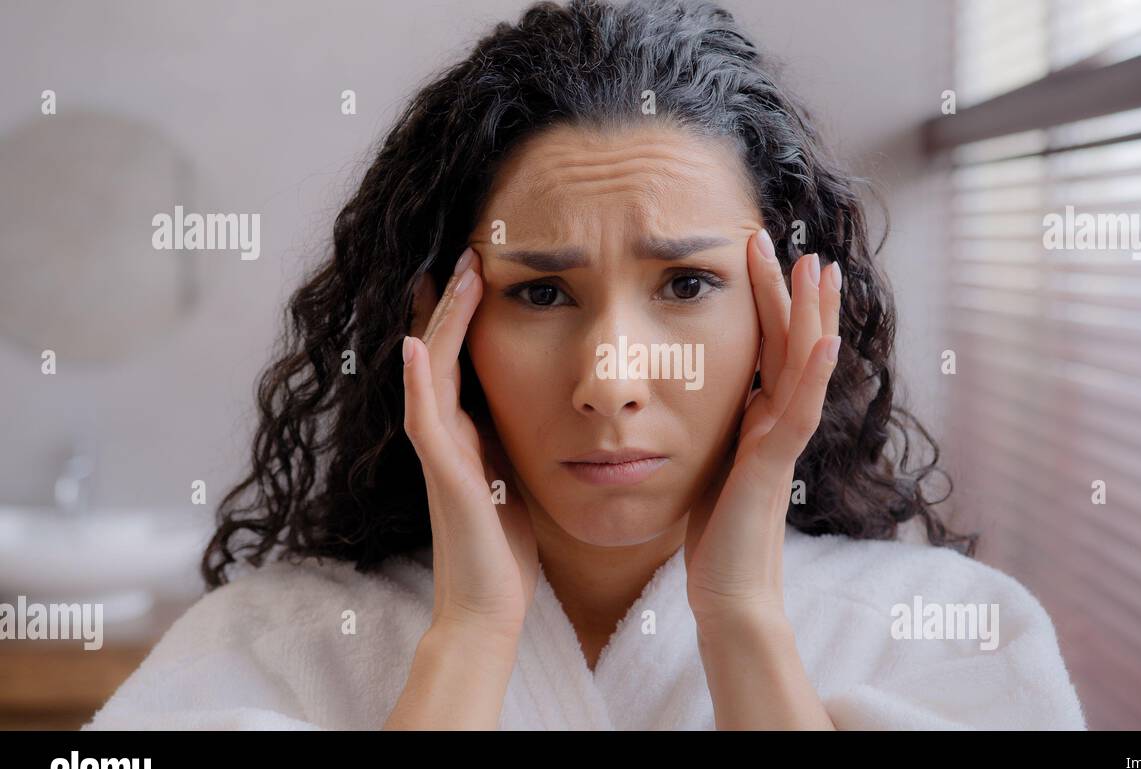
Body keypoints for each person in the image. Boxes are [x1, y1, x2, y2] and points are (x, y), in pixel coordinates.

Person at [84, 0, 1086, 731]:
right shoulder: (270, 644)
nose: (609, 377)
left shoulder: (953, 633)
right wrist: (472, 635)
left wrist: (740, 618)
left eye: (687, 285)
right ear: (438, 328)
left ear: (784, 318)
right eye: (540, 291)